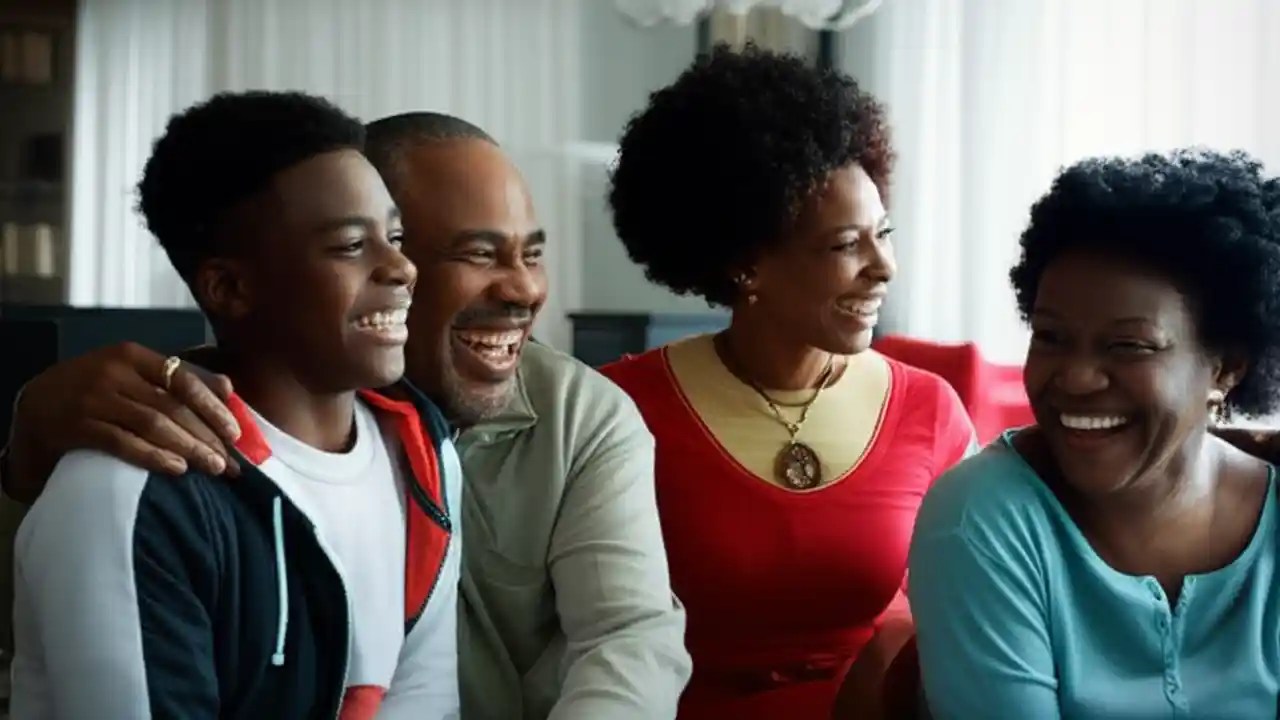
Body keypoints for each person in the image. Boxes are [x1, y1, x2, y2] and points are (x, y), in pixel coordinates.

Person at [0, 112, 691, 719]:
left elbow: (626, 638)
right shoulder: (144, 456)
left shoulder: (461, 445)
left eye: (531, 255)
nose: (522, 288)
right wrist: (28, 431)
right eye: (476, 254)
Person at [8, 91, 462, 719]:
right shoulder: (130, 490)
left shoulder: (420, 448)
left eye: (395, 236)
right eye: (351, 246)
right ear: (230, 287)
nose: (403, 268)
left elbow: (423, 697)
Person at [596, 45, 975, 719]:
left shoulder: (930, 410)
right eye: (844, 245)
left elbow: (971, 612)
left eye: (883, 234)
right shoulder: (624, 409)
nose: (883, 267)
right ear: (747, 265)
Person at [908, 149, 1280, 719]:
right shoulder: (981, 518)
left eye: (1128, 345)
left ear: (1227, 366)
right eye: (1051, 336)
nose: (1076, 379)